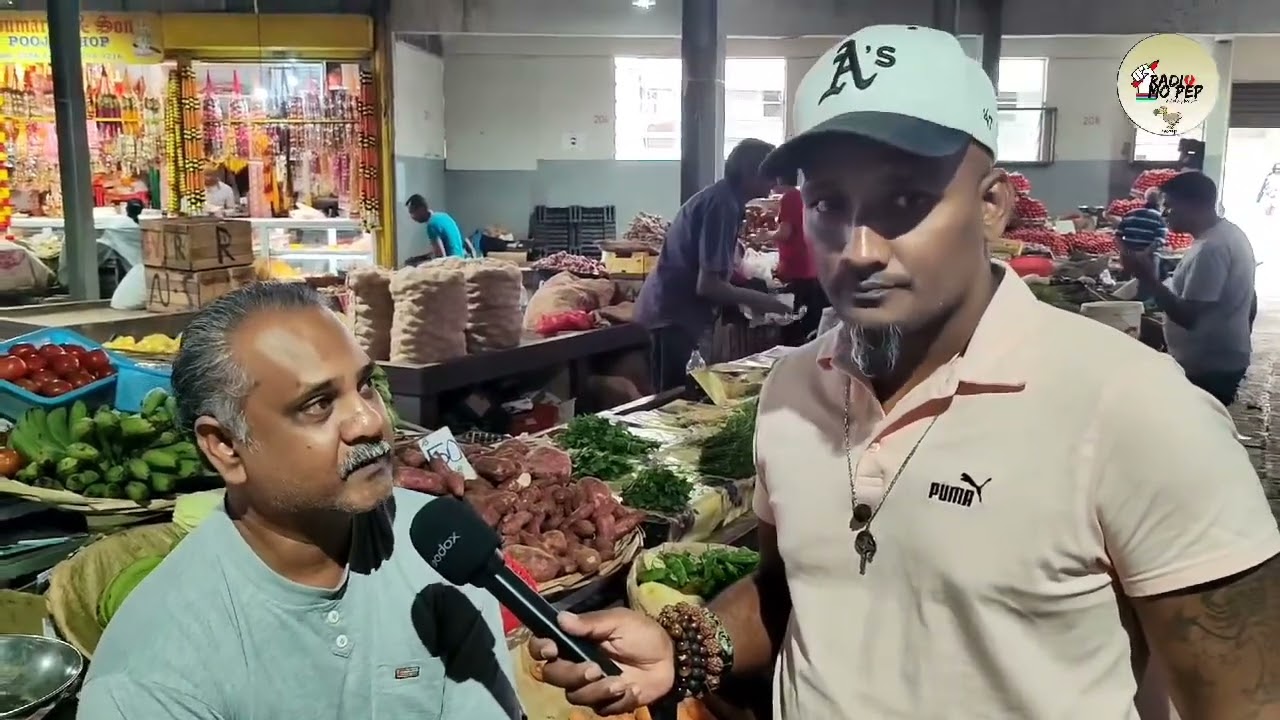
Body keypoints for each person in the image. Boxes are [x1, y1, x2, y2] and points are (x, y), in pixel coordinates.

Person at [530, 26, 1280, 720]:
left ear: (992, 206)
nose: (856, 247)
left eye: (905, 200)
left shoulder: (1138, 412)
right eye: (827, 202)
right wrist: (690, 646)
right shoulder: (793, 391)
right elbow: (793, 588)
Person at [78, 282, 521, 720]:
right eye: (318, 404)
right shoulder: (152, 676)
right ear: (225, 447)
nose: (368, 421)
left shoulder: (441, 546)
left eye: (365, 386)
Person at [635, 139, 793, 391]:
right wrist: (764, 301)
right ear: (750, 173)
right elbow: (708, 286)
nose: (774, 183)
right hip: (674, 315)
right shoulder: (722, 206)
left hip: (675, 312)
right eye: (770, 175)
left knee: (680, 394)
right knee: (671, 401)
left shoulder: (723, 199)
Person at [1121, 171, 1256, 407]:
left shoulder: (1212, 249)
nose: (1164, 214)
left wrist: (1148, 278)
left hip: (1208, 367)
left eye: (1170, 206)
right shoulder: (1225, 234)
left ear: (1193, 204)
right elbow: (1249, 301)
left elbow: (1188, 316)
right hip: (1218, 357)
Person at [761, 171, 828, 345]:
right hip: (809, 266)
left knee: (793, 320)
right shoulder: (801, 195)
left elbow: (785, 233)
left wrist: (765, 235)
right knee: (810, 319)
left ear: (777, 180)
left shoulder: (789, 198)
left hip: (796, 268)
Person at [406, 193, 471, 259]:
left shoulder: (431, 225)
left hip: (452, 266)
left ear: (421, 209)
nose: (412, 217)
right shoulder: (445, 216)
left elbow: (440, 258)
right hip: (460, 260)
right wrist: (420, 258)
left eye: (412, 213)